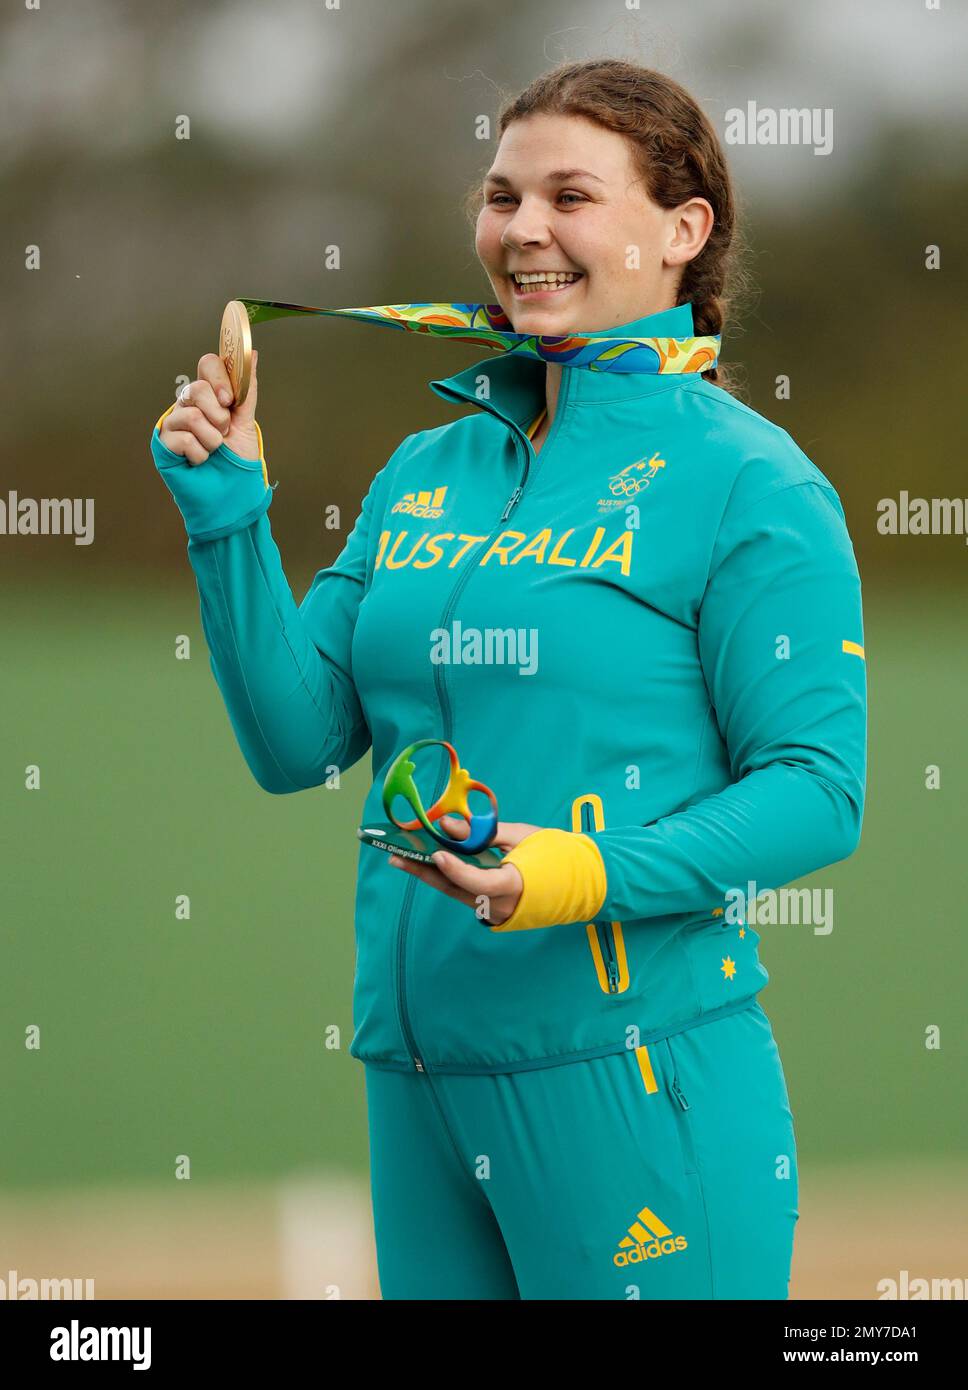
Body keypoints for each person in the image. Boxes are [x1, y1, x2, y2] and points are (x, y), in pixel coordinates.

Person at [148, 58, 867, 1300]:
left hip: (633, 1081)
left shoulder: (751, 482)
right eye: (500, 195)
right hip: (418, 1084)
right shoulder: (429, 468)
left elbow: (817, 791)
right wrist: (228, 519)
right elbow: (295, 739)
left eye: (570, 197)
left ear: (681, 232)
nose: (522, 228)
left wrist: (577, 873)